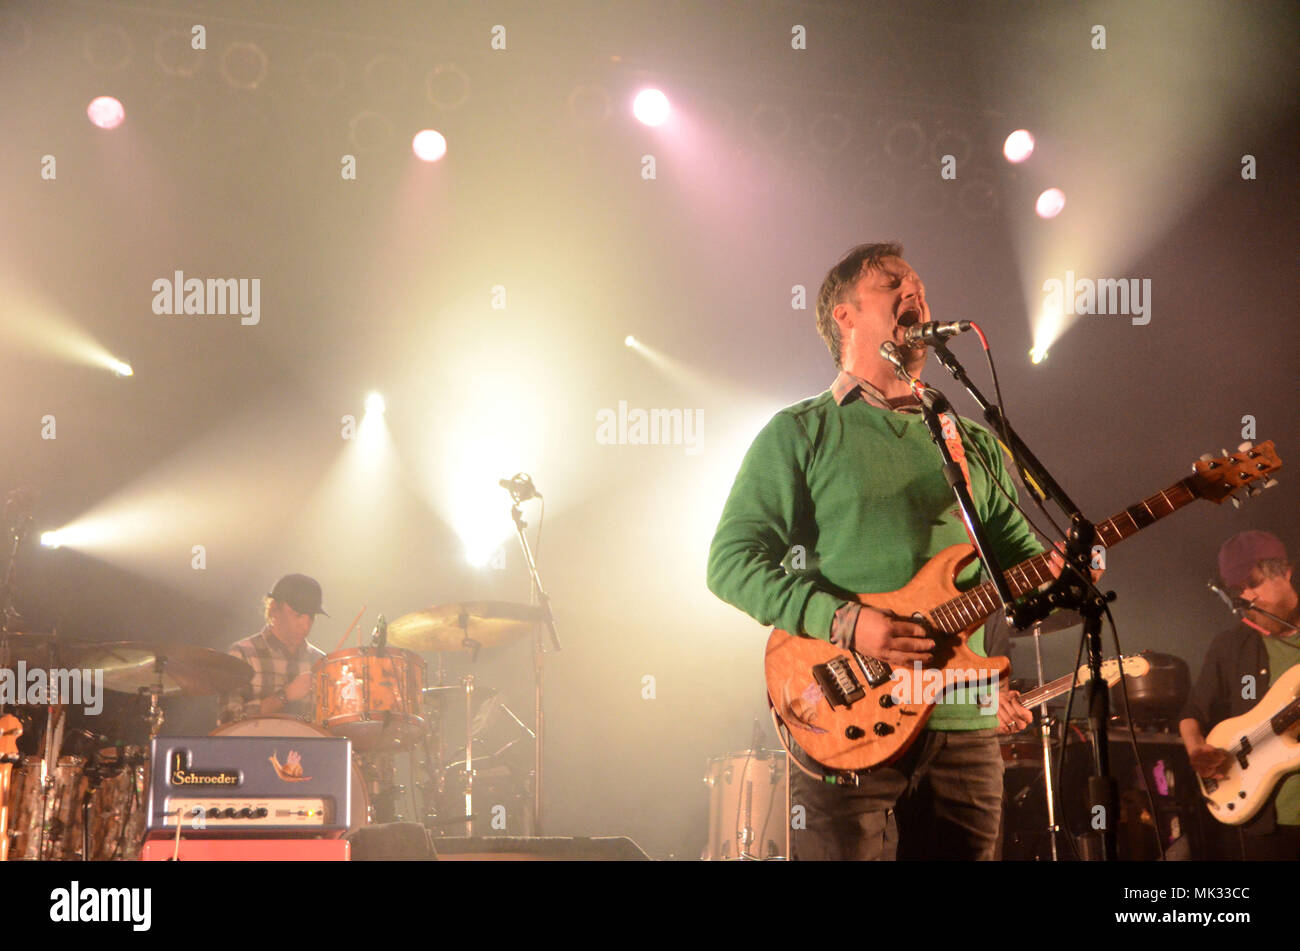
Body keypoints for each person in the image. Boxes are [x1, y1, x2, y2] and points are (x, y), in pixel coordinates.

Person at [707, 242, 1052, 860]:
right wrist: (845, 620)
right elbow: (730, 562)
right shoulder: (801, 431)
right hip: (847, 709)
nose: (914, 289)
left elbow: (1021, 562)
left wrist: (1067, 567)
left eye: (919, 282)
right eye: (893, 281)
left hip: (964, 715)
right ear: (845, 315)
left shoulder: (970, 438)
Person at [1179, 530, 1300, 860]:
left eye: (1254, 582)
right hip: (1265, 823)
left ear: (1286, 572)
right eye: (1237, 590)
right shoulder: (1229, 646)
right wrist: (1196, 750)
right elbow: (1192, 711)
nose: (1247, 597)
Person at [217, 573, 328, 725]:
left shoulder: (320, 662)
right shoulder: (243, 654)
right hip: (254, 748)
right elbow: (227, 722)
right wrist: (284, 696)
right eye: (298, 615)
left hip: (307, 749)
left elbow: (331, 727)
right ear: (274, 609)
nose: (305, 625)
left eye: (311, 617)